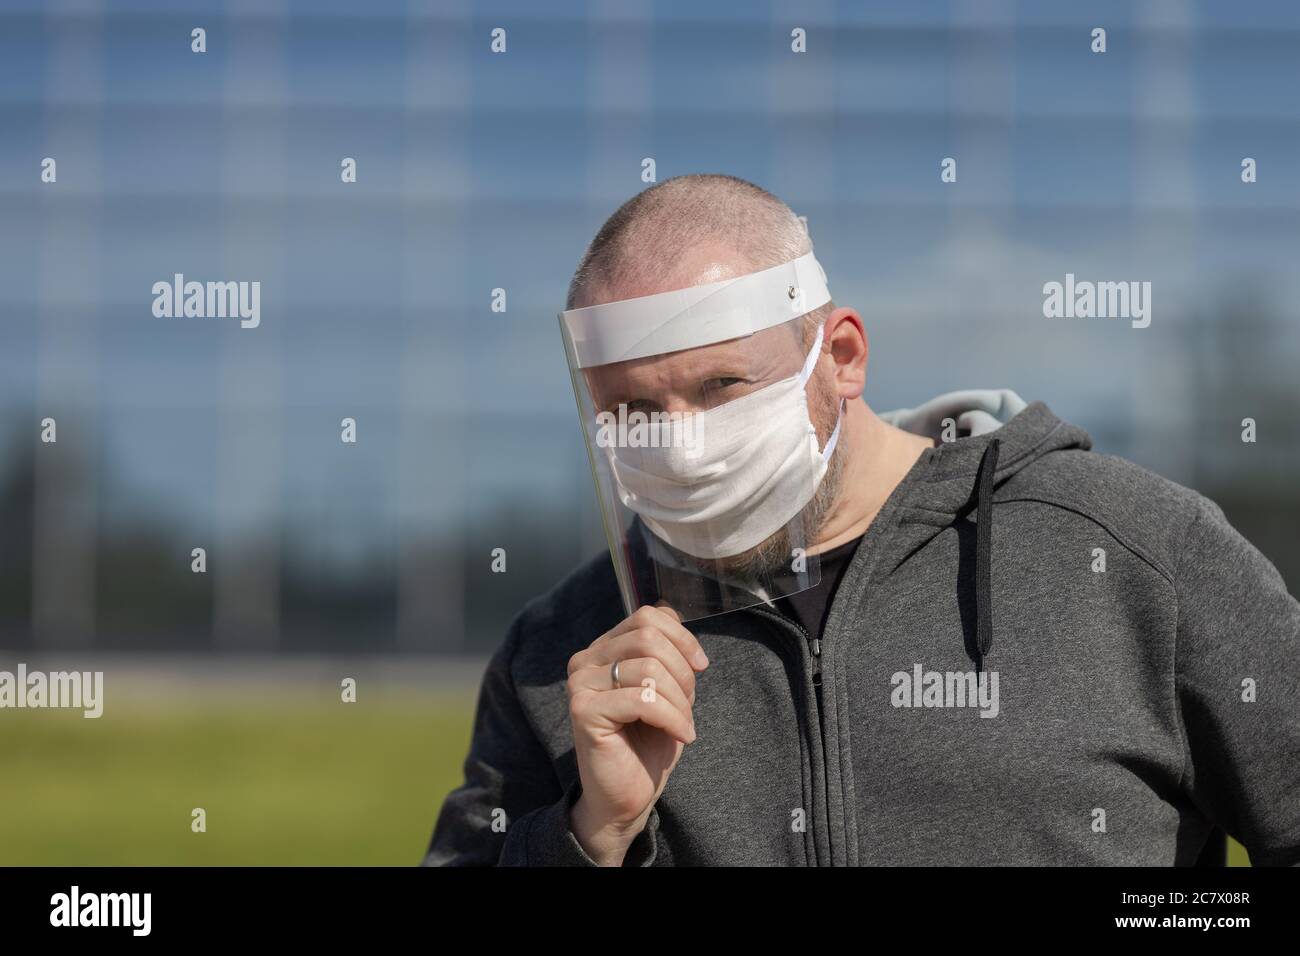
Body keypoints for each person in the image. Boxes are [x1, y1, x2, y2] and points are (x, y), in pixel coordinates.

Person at [423, 174, 1300, 866]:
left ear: (840, 356)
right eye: (636, 412)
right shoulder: (563, 655)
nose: (685, 447)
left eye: (721, 385)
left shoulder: (1138, 555)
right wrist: (588, 835)